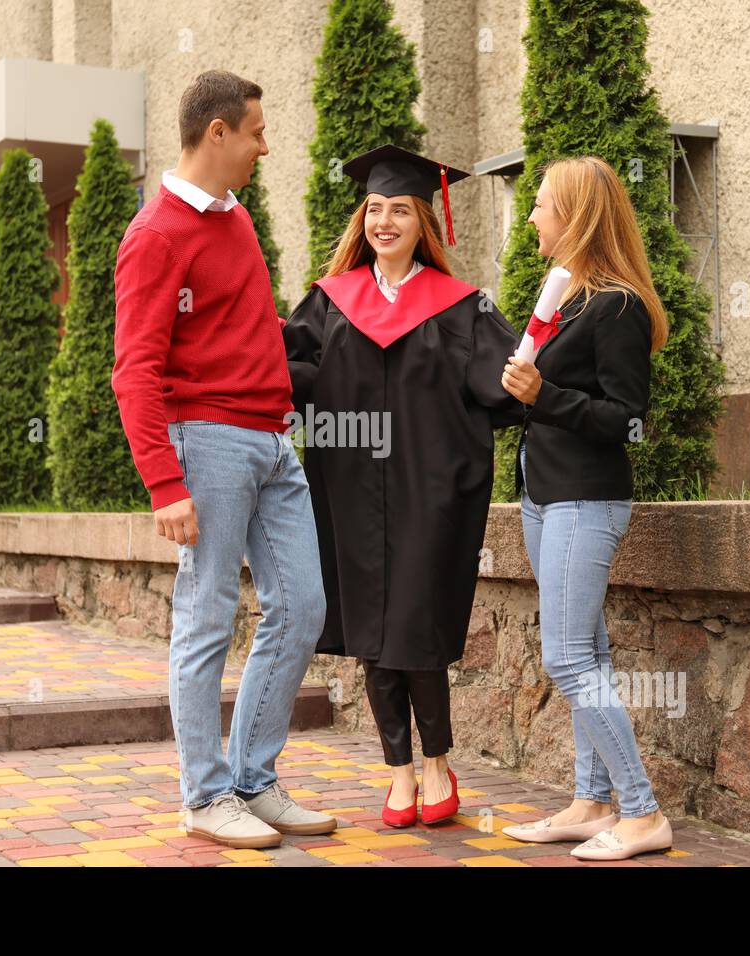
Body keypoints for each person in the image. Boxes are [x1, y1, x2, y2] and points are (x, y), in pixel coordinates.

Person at [111, 70, 336, 850]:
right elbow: (134, 369)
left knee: (303, 605)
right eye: (256, 132)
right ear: (217, 133)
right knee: (206, 615)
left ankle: (253, 778)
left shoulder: (234, 221)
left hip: (273, 441)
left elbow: (230, 323)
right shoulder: (154, 235)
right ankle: (205, 796)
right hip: (203, 443)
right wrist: (163, 483)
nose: (264, 146)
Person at [284, 144, 526, 829]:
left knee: (415, 623)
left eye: (398, 210)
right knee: (371, 628)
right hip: (351, 485)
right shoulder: (330, 302)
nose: (384, 222)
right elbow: (290, 372)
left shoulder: (459, 305)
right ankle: (398, 772)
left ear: (424, 221)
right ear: (362, 221)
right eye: (374, 210)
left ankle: (438, 764)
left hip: (431, 487)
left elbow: (506, 384)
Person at [498, 155, 673, 860]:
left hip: (586, 498)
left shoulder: (618, 306)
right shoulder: (565, 297)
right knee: (589, 653)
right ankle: (591, 802)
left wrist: (546, 396)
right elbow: (542, 399)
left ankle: (642, 811)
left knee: (568, 658)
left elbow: (629, 416)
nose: (533, 216)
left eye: (541, 204)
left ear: (575, 216)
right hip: (544, 496)